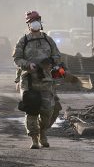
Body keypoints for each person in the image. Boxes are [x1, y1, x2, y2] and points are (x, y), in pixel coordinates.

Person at [13, 10, 63, 149]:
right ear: (28, 25)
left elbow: (58, 56)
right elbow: (16, 59)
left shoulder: (48, 40)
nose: (35, 23)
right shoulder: (23, 40)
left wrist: (50, 61)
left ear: (40, 22)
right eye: (31, 21)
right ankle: (34, 138)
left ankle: (43, 132)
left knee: (48, 110)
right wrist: (28, 64)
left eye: (37, 20)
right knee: (32, 111)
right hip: (29, 81)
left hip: (46, 81)